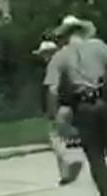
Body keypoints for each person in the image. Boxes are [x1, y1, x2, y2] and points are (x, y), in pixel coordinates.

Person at [44, 15, 107, 196]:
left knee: (96, 157)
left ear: (65, 35)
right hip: (106, 103)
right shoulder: (100, 46)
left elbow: (52, 89)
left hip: (84, 108)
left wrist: (53, 114)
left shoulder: (60, 57)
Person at [33, 38, 84, 186]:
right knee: (62, 139)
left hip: (59, 108)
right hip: (68, 107)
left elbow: (52, 91)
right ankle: (66, 172)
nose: (43, 57)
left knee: (56, 141)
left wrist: (51, 111)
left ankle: (66, 173)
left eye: (44, 54)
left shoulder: (53, 68)